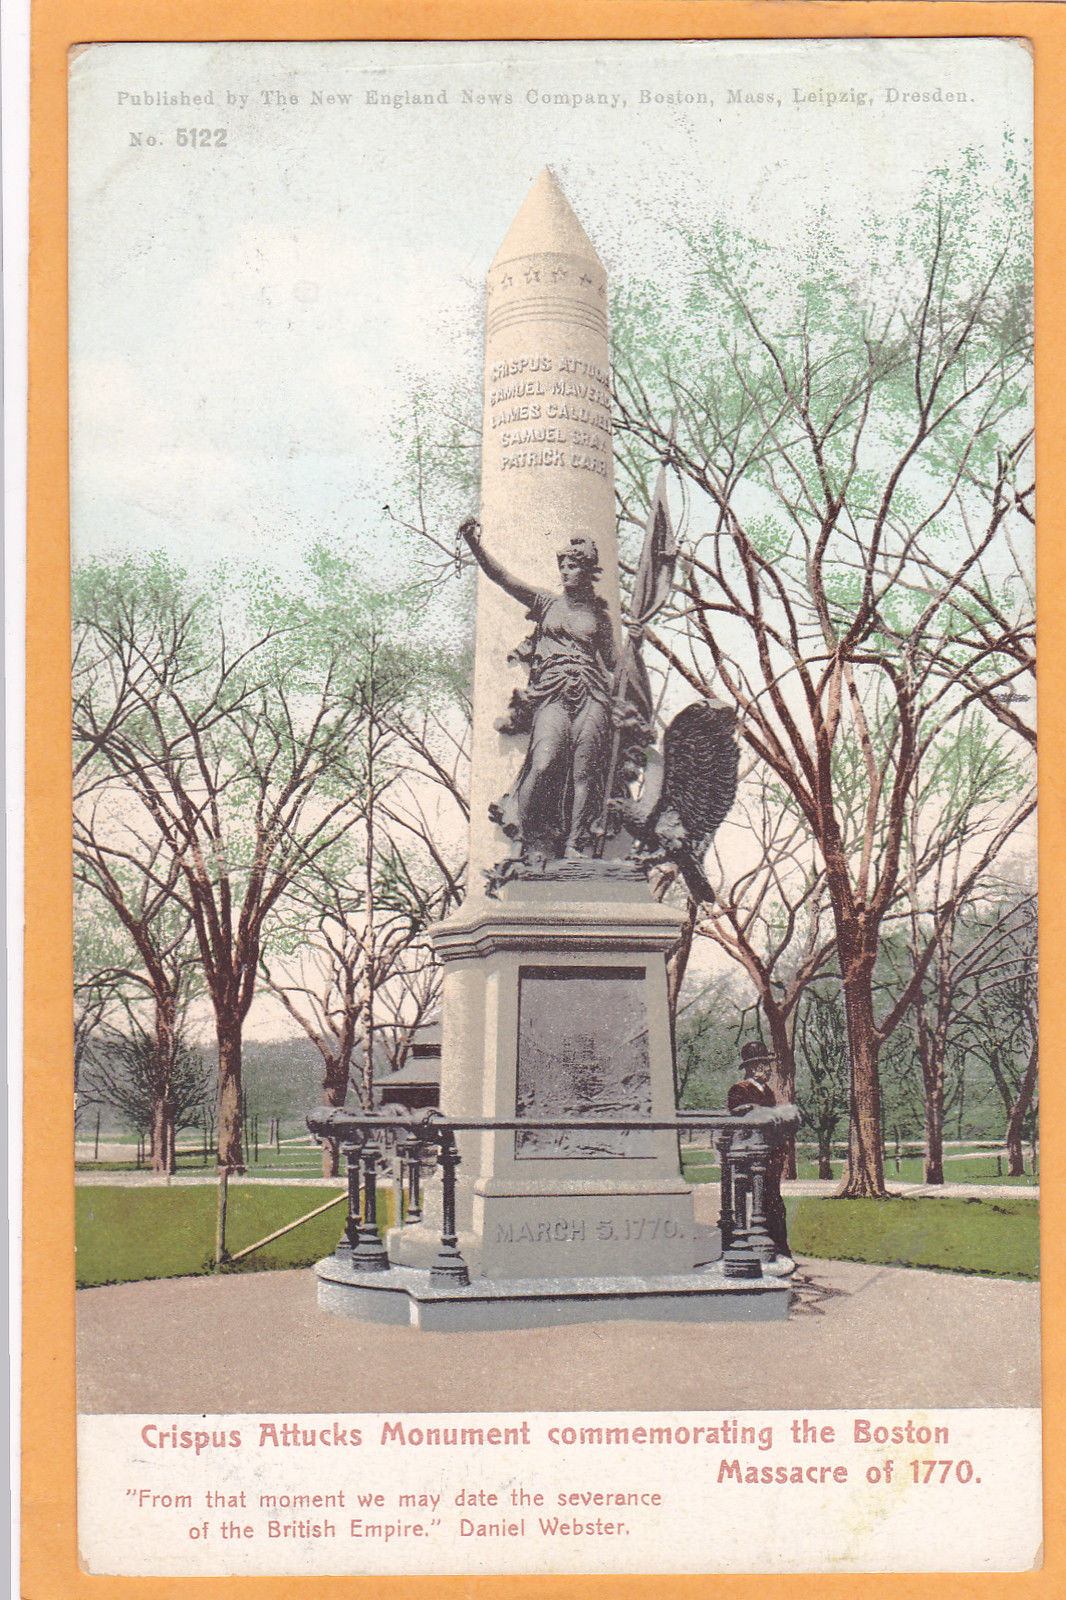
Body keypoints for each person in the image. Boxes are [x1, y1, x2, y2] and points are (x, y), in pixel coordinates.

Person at [459, 517, 623, 863]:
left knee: (585, 770)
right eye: (562, 566)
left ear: (587, 570)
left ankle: (576, 845)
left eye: (573, 566)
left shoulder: (600, 618)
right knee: (545, 761)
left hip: (591, 691)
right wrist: (475, 546)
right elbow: (504, 579)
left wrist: (632, 639)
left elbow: (614, 665)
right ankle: (525, 834)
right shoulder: (547, 603)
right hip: (553, 691)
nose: (565, 572)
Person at [726, 1041, 790, 1259]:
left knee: (773, 1201)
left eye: (768, 1065)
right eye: (764, 1066)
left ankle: (778, 1247)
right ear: (753, 1068)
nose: (768, 1070)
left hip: (771, 1154)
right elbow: (739, 1117)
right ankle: (763, 1246)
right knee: (760, 1201)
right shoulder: (740, 1090)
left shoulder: (767, 1091)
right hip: (750, 1155)